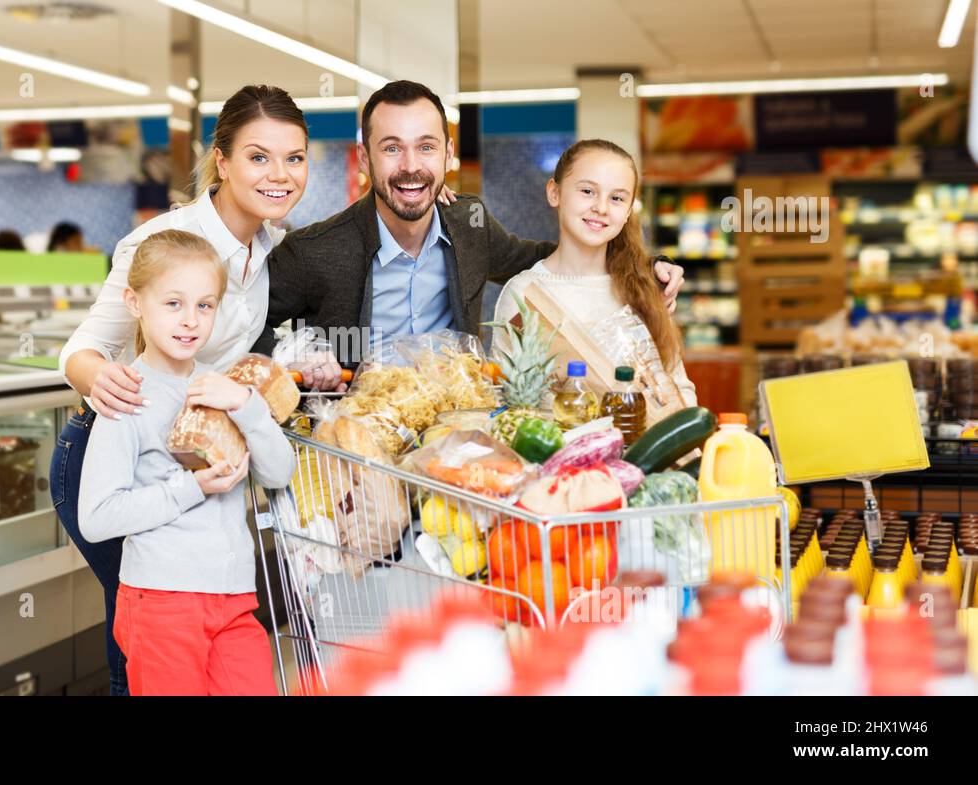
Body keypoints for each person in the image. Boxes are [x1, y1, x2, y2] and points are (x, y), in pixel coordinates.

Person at [53, 85, 321, 696]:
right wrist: (119, 388)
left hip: (197, 445)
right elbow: (79, 350)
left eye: (294, 158)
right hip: (117, 444)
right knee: (145, 639)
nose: (279, 174)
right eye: (259, 157)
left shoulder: (273, 247)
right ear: (221, 162)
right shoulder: (160, 245)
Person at [251, 80, 685, 381]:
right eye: (391, 149)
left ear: (448, 155)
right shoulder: (315, 250)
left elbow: (546, 257)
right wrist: (296, 356)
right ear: (365, 159)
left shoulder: (468, 224)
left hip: (457, 440)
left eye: (426, 147)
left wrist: (648, 265)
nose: (410, 167)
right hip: (357, 450)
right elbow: (246, 321)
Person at [76, 229, 294, 695]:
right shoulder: (126, 395)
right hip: (161, 601)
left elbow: (278, 473)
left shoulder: (220, 386)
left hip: (235, 597)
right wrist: (194, 487)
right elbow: (96, 518)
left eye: (205, 305)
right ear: (135, 303)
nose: (190, 320)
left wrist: (247, 405)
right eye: (173, 303)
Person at [493, 138, 696, 403]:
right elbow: (504, 400)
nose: (601, 207)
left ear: (627, 212)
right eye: (587, 191)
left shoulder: (645, 287)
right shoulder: (523, 293)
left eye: (616, 198)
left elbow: (680, 390)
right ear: (554, 192)